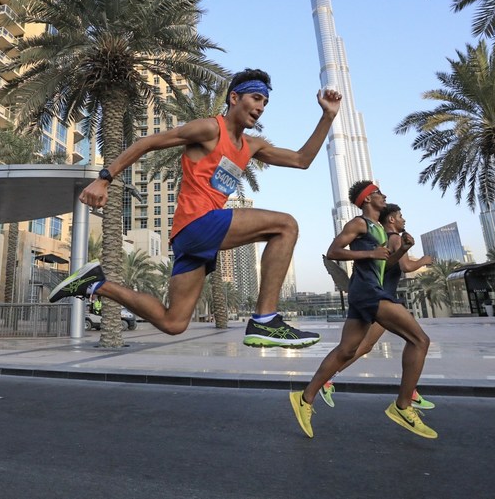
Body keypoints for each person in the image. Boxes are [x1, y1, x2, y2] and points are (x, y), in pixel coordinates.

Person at [50, 68, 342, 348]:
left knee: (174, 322)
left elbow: (301, 160)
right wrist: (105, 179)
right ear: (234, 98)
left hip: (191, 239)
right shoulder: (209, 129)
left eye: (265, 102)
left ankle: (95, 285)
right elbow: (147, 142)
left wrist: (327, 116)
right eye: (256, 97)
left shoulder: (252, 146)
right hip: (198, 222)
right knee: (286, 225)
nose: (261, 106)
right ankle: (265, 319)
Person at [290, 181, 437, 439]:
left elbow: (385, 262)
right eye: (380, 194)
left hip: (365, 292)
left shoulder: (381, 229)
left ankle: (305, 398)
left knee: (347, 350)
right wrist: (368, 254)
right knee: (419, 340)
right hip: (369, 292)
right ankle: (402, 406)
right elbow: (333, 251)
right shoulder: (359, 224)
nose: (385, 196)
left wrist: (402, 249)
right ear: (368, 199)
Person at [318, 203, 436, 410]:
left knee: (363, 346)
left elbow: (387, 263)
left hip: (380, 296)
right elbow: (405, 266)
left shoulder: (385, 238)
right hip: (381, 298)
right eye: (400, 215)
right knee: (416, 341)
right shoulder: (394, 238)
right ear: (391, 220)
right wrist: (424, 261)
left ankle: (411, 392)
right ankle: (326, 380)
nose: (403, 219)